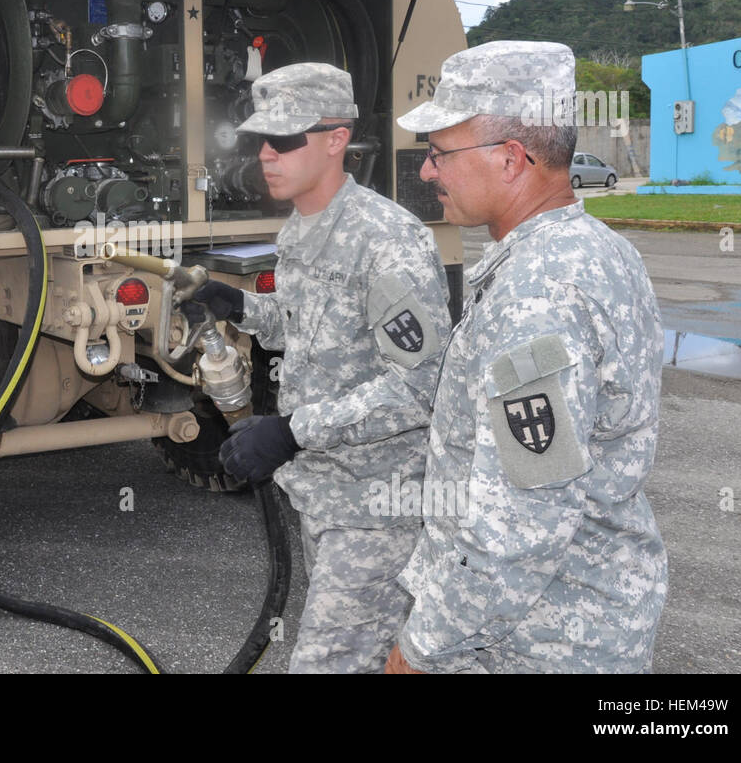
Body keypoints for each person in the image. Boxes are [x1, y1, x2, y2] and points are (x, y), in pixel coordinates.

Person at [385, 40, 668, 674]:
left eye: (439, 154)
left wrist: (423, 647)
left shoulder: (538, 294)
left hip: (535, 643)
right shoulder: (596, 248)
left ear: (512, 159)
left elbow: (522, 519)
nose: (428, 172)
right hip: (571, 624)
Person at [186, 62, 451, 673]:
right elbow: (305, 323)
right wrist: (245, 307)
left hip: (376, 506)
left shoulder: (387, 241)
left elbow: (421, 388)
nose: (266, 155)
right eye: (260, 140)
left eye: (284, 140)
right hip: (324, 494)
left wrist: (292, 430)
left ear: (337, 139)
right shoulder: (302, 227)